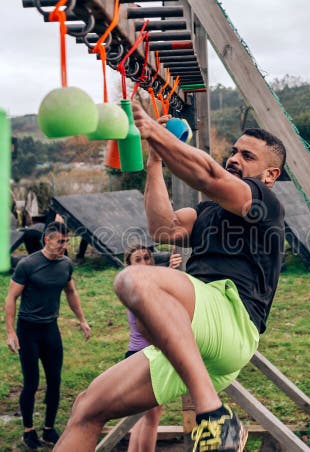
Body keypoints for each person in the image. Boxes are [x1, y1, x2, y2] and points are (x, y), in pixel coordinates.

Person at [55, 103, 286, 452]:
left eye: (247, 156)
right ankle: (213, 410)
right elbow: (162, 227)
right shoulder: (208, 210)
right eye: (234, 151)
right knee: (87, 407)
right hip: (194, 336)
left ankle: (213, 413)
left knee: (136, 279)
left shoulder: (263, 201)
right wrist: (155, 164)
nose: (235, 158)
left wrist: (154, 131)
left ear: (269, 175)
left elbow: (207, 175)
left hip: (230, 316)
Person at [5, 221, 92, 449]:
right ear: (47, 240)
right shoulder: (28, 264)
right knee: (31, 383)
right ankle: (28, 430)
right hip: (28, 330)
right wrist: (11, 331)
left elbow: (70, 291)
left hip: (50, 330)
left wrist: (82, 320)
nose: (64, 246)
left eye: (66, 241)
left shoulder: (65, 264)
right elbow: (11, 298)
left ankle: (49, 429)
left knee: (55, 381)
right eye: (60, 241)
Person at [122, 243, 182, 452]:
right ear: (128, 266)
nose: (145, 262)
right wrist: (173, 275)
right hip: (146, 356)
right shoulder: (136, 286)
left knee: (141, 418)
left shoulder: (139, 283)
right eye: (138, 259)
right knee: (152, 419)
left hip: (136, 355)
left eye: (147, 257)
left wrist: (171, 272)